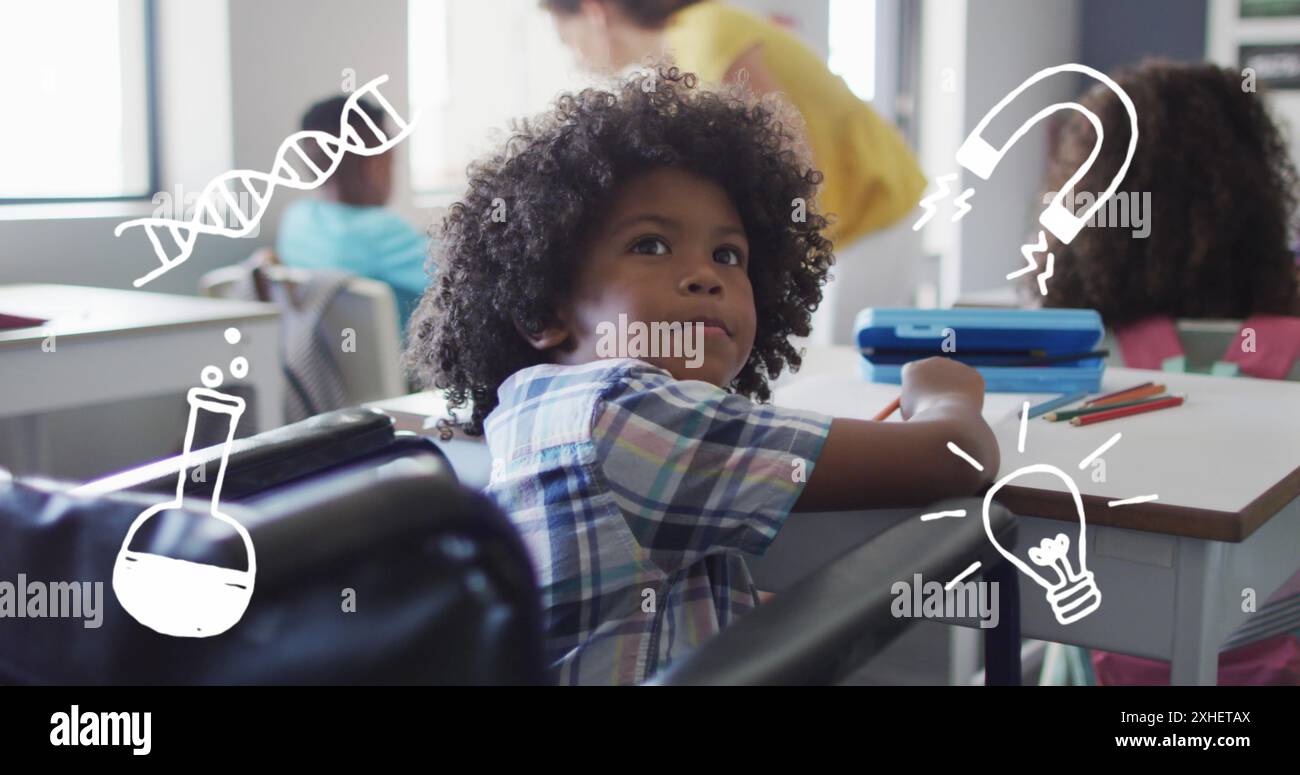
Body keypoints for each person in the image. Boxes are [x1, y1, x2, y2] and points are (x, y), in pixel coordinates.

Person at [404, 67, 998, 684]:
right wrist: (943, 392)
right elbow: (955, 456)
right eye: (652, 246)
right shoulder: (622, 411)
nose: (704, 275)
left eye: (727, 255)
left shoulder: (535, 410)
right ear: (544, 310)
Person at [276, 95, 432, 331]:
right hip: (406, 365)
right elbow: (464, 276)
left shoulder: (296, 220)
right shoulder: (381, 232)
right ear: (374, 166)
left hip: (321, 365)